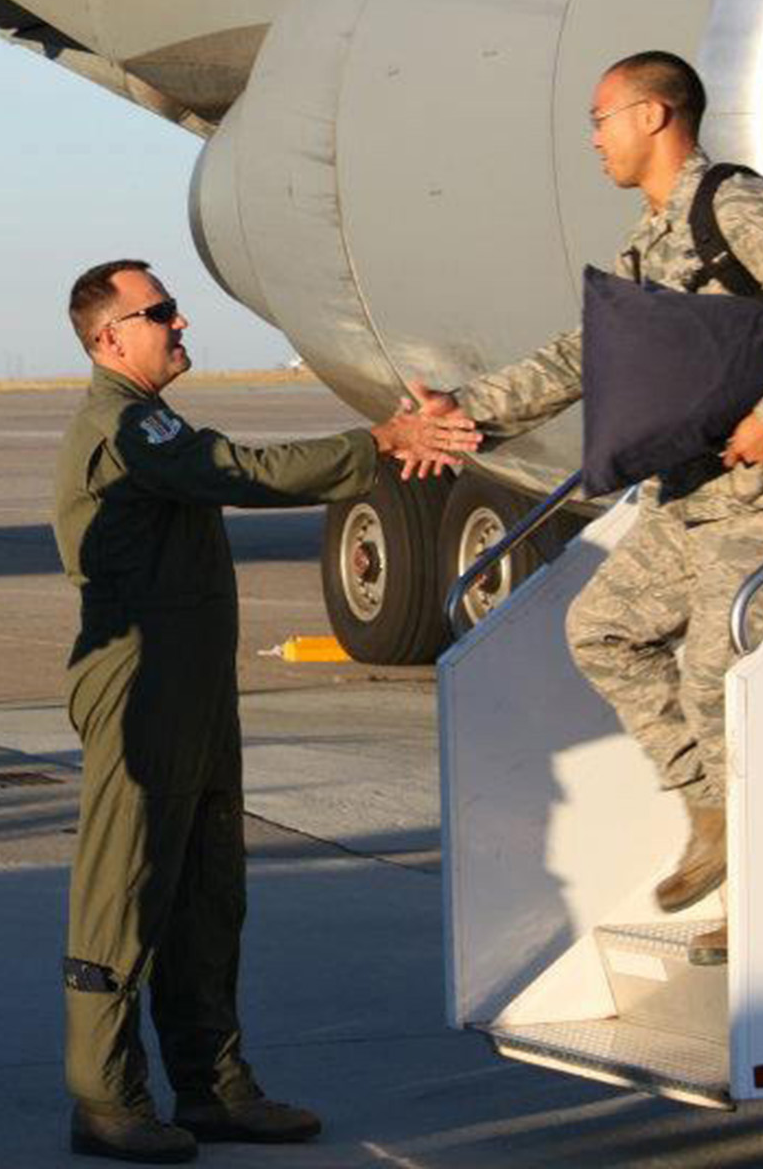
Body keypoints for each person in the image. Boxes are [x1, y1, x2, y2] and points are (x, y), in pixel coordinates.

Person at [414, 52, 763, 966]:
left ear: (656, 115)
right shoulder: (650, 238)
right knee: (601, 629)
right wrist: (467, 413)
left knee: (719, 674)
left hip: (762, 496)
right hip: (689, 496)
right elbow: (584, 357)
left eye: (601, 117)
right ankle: (712, 810)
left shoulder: (739, 210)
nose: (592, 138)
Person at [55, 259, 477, 1165]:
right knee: (123, 893)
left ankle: (212, 1086)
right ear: (108, 337)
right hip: (140, 688)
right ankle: (105, 1098)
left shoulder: (152, 418)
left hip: (193, 686)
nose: (179, 325)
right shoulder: (119, 426)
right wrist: (378, 443)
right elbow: (241, 470)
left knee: (210, 892)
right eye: (159, 312)